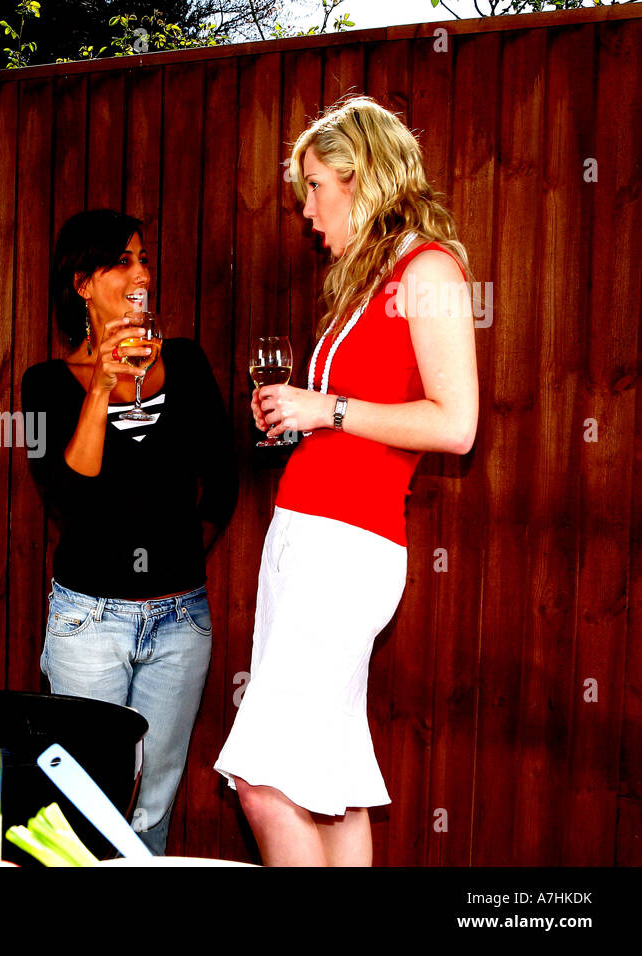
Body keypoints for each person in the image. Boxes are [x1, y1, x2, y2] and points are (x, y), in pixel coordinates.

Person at [213, 95, 479, 865]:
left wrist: (322, 407)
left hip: (347, 544)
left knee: (265, 780)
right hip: (311, 534)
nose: (306, 210)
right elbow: (355, 417)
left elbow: (453, 425)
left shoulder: (428, 268)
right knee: (325, 778)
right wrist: (303, 419)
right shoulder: (367, 279)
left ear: (363, 178)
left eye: (316, 187)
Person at [21, 209, 237, 854]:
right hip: (88, 622)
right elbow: (65, 495)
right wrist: (102, 387)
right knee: (85, 798)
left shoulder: (189, 364)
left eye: (143, 258)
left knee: (153, 802)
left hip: (180, 622)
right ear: (83, 282)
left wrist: (176, 567)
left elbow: (221, 483)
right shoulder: (45, 385)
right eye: (123, 261)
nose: (141, 273)